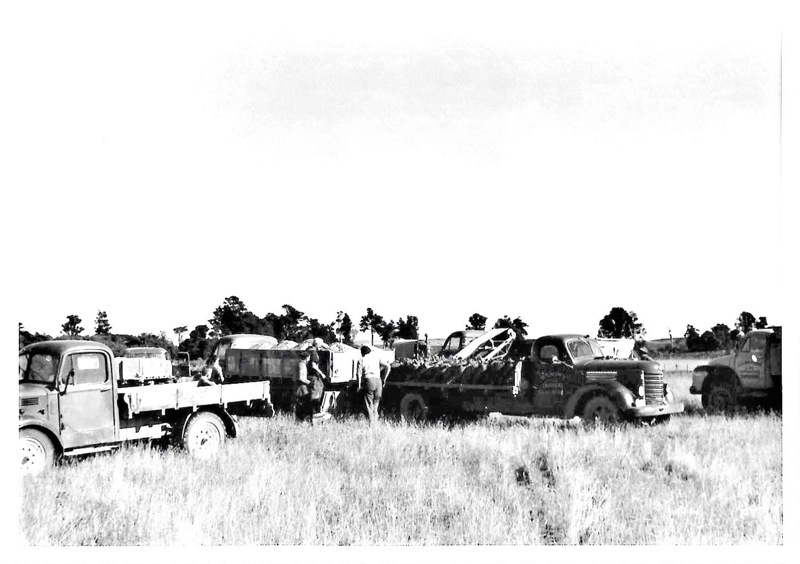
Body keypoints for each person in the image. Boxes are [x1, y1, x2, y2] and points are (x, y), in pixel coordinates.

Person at [357, 345, 391, 426]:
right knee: (376, 403)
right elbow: (388, 366)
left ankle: (371, 424)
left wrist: (358, 386)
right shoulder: (376, 358)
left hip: (369, 381)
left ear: (362, 352)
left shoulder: (361, 360)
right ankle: (376, 422)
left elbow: (359, 374)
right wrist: (384, 378)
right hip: (378, 381)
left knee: (369, 404)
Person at [294, 351, 313, 420]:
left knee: (301, 403)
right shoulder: (302, 365)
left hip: (299, 386)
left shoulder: (300, 363)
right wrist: (310, 383)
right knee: (304, 402)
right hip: (301, 386)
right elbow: (301, 378)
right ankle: (302, 418)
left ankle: (301, 418)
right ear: (307, 358)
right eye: (309, 357)